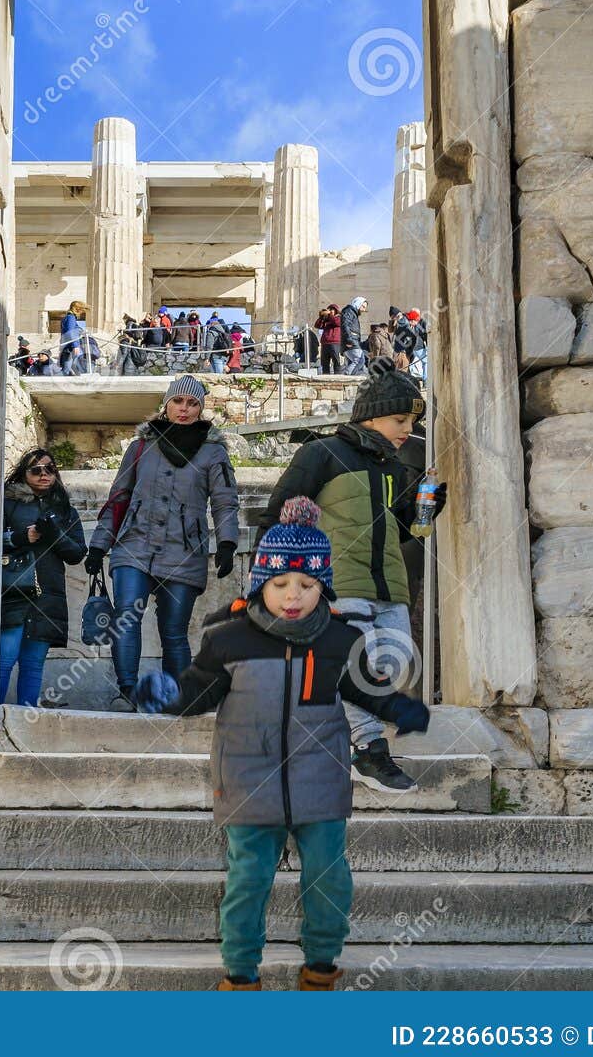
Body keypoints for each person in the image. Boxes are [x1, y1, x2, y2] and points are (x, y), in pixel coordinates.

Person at [137, 497, 429, 990]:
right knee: (248, 879)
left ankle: (321, 964)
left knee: (328, 877)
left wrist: (400, 709)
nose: (293, 595)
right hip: (248, 780)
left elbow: (363, 688)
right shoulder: (229, 638)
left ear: (323, 586)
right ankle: (240, 973)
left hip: (321, 780)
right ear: (260, 583)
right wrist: (167, 696)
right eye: (280, 584)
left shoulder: (339, 640)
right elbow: (199, 691)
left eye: (307, 585)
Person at [260, 361, 446, 792]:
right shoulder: (321, 453)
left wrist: (426, 505)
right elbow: (280, 511)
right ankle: (368, 751)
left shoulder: (394, 467)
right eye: (401, 419)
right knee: (357, 667)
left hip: (389, 586)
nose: (407, 429)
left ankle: (323, 721)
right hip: (338, 580)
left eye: (413, 421)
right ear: (371, 415)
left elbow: (405, 530)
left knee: (393, 664)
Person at [85, 375, 240, 710]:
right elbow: (119, 496)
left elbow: (225, 501)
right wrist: (100, 544)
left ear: (200, 409)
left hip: (184, 551)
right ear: (166, 404)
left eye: (192, 403)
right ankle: (127, 691)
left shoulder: (214, 453)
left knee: (173, 630)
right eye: (178, 401)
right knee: (126, 615)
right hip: (134, 544)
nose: (183, 409)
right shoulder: (141, 446)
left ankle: (178, 698)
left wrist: (227, 543)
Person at [0, 448, 87, 707]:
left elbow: (77, 554)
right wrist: (19, 538)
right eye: (36, 470)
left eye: (49, 469)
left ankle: (26, 719)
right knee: (5, 658)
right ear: (24, 474)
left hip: (48, 591)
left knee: (34, 661)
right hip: (13, 589)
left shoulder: (65, 509)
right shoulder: (6, 503)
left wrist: (54, 534)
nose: (43, 475)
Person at [59, 299, 88, 375]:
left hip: (68, 346)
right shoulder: (70, 318)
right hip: (70, 347)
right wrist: (75, 345)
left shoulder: (69, 317)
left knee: (73, 368)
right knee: (67, 369)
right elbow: (70, 332)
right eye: (82, 310)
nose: (82, 312)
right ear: (77, 309)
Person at [340, 296, 368, 373]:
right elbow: (345, 325)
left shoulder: (352, 313)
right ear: (358, 304)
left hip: (352, 340)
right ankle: (345, 378)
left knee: (350, 363)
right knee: (359, 360)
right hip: (351, 341)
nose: (364, 310)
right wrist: (349, 340)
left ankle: (348, 380)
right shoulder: (349, 311)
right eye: (363, 306)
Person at [315, 304, 342, 375]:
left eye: (332, 310)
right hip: (325, 343)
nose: (330, 311)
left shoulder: (339, 318)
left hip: (334, 343)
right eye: (329, 310)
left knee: (336, 361)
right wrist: (321, 317)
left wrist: (329, 314)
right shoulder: (327, 319)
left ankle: (338, 376)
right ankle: (325, 375)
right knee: (324, 362)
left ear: (336, 311)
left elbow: (336, 322)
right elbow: (317, 325)